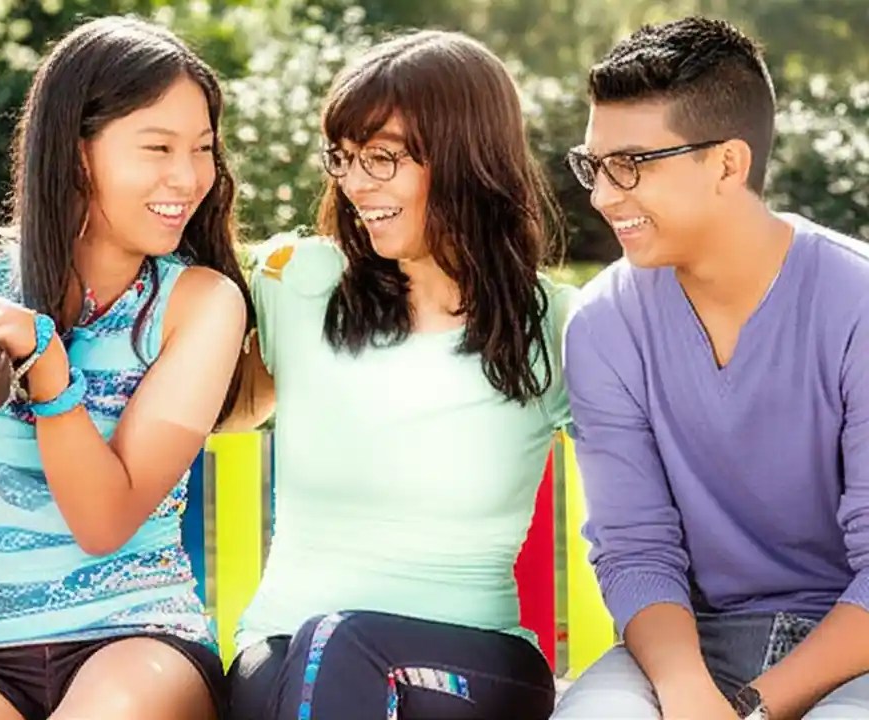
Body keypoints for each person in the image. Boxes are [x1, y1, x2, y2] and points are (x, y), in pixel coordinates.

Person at [0, 16, 252, 720]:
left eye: (203, 149)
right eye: (157, 148)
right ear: (76, 151)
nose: (188, 178)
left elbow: (105, 520)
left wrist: (49, 367)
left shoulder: (197, 304)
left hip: (137, 637)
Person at [223, 30, 574, 720]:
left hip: (473, 668)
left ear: (466, 156)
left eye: (381, 159)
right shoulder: (300, 282)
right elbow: (211, 385)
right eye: (344, 159)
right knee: (320, 656)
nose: (354, 184)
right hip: (283, 653)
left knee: (342, 643)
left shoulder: (556, 326)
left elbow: (656, 479)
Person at [553, 16, 869, 720]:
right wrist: (688, 692)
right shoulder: (605, 325)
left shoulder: (858, 304)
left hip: (855, 650)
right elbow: (635, 548)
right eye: (595, 166)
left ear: (729, 164)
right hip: (692, 648)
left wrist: (754, 708)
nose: (603, 196)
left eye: (631, 164)